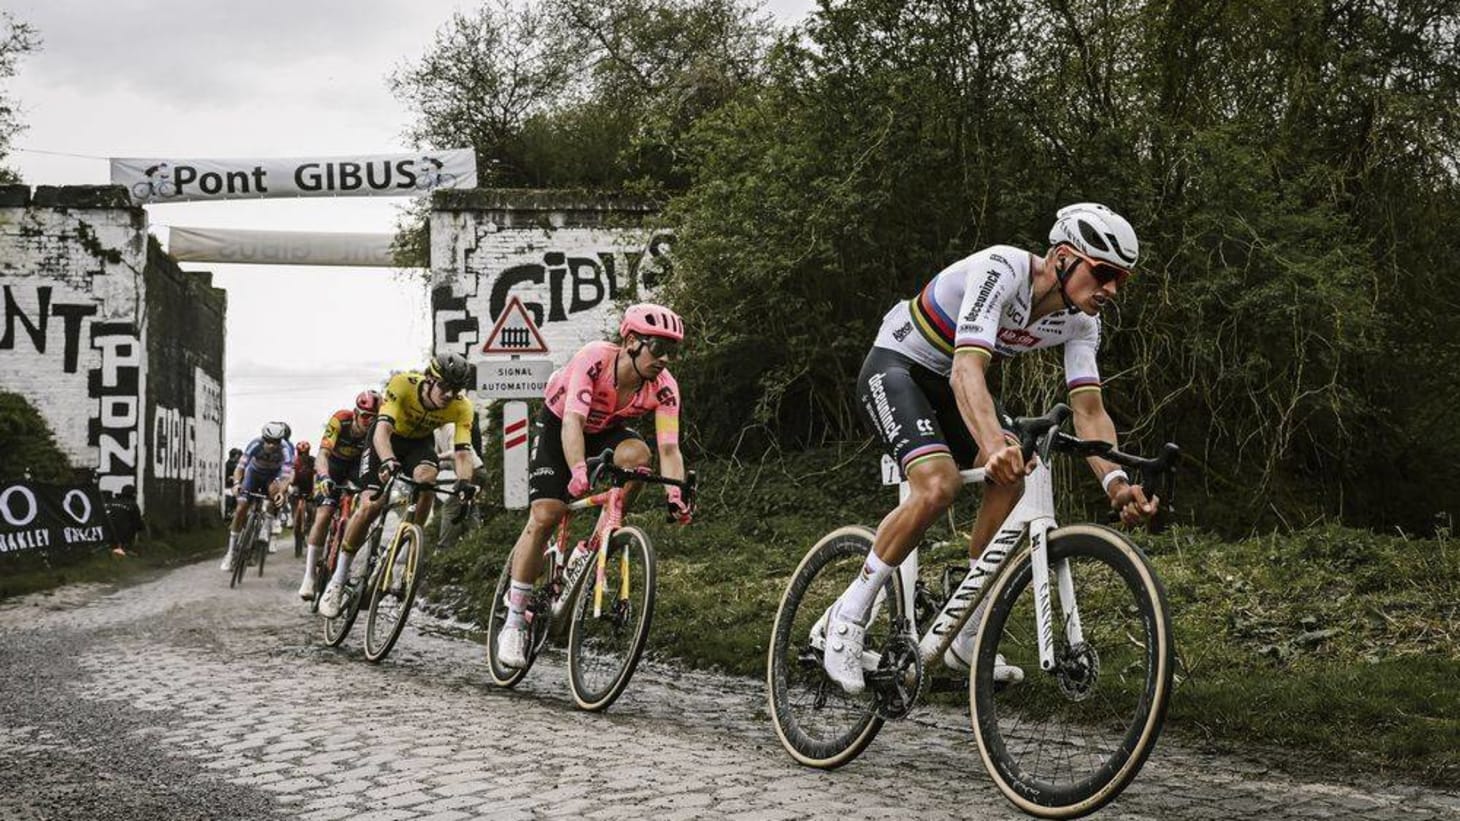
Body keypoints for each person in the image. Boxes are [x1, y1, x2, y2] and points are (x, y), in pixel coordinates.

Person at [821, 203, 1160, 694]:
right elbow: (966, 370)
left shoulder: (1082, 322)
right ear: (1063, 258)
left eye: (1120, 281)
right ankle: (847, 620)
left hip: (951, 382)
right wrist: (988, 444)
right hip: (898, 367)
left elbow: (1089, 410)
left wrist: (1116, 481)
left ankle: (966, 624)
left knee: (1017, 472)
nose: (1110, 290)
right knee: (939, 485)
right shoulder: (1000, 269)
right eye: (1103, 272)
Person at [496, 303, 694, 668]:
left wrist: (676, 493)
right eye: (658, 347)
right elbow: (572, 421)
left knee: (640, 461)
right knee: (547, 514)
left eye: (674, 350)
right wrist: (576, 470)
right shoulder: (595, 359)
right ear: (631, 341)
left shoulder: (664, 387)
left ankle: (597, 540)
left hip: (605, 430)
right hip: (562, 425)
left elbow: (669, 446)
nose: (666, 358)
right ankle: (513, 622)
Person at [318, 357, 480, 617]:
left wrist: (464, 483)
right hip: (386, 440)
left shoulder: (462, 407)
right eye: (444, 386)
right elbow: (381, 431)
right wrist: (388, 461)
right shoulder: (403, 384)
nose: (449, 395)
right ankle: (337, 579)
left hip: (418, 444)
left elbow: (463, 452)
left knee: (428, 478)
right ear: (429, 378)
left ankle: (409, 539)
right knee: (371, 504)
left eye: (456, 389)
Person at [296, 390, 380, 599]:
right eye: (365, 416)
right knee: (324, 514)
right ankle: (309, 577)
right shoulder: (340, 420)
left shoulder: (377, 430)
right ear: (355, 413)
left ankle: (345, 562)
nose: (369, 422)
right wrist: (324, 476)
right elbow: (322, 455)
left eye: (374, 418)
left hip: (357, 467)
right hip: (333, 465)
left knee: (363, 511)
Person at [219, 422, 295, 571]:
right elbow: (240, 468)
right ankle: (230, 552)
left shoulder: (286, 449)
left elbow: (286, 477)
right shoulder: (255, 444)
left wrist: (281, 492)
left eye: (276, 442)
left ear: (281, 440)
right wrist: (236, 483)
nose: (272, 445)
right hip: (254, 473)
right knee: (241, 507)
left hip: (273, 475)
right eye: (268, 441)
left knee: (275, 491)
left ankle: (266, 526)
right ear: (263, 438)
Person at [288, 440, 316, 545]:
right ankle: (293, 521)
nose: (303, 455)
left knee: (311, 510)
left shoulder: (313, 461)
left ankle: (309, 527)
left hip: (309, 488)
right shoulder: (294, 461)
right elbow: (292, 473)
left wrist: (314, 490)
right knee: (294, 507)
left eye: (305, 453)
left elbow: (315, 476)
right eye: (301, 453)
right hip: (297, 488)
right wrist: (290, 483)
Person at [106, 485, 145, 557]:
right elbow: (138, 523)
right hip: (123, 536)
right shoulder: (132, 504)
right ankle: (127, 548)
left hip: (107, 534)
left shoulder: (111, 501)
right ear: (133, 494)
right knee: (136, 524)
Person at [223, 447, 243, 518]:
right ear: (236, 456)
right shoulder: (231, 465)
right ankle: (230, 512)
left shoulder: (227, 464)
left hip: (232, 486)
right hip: (229, 487)